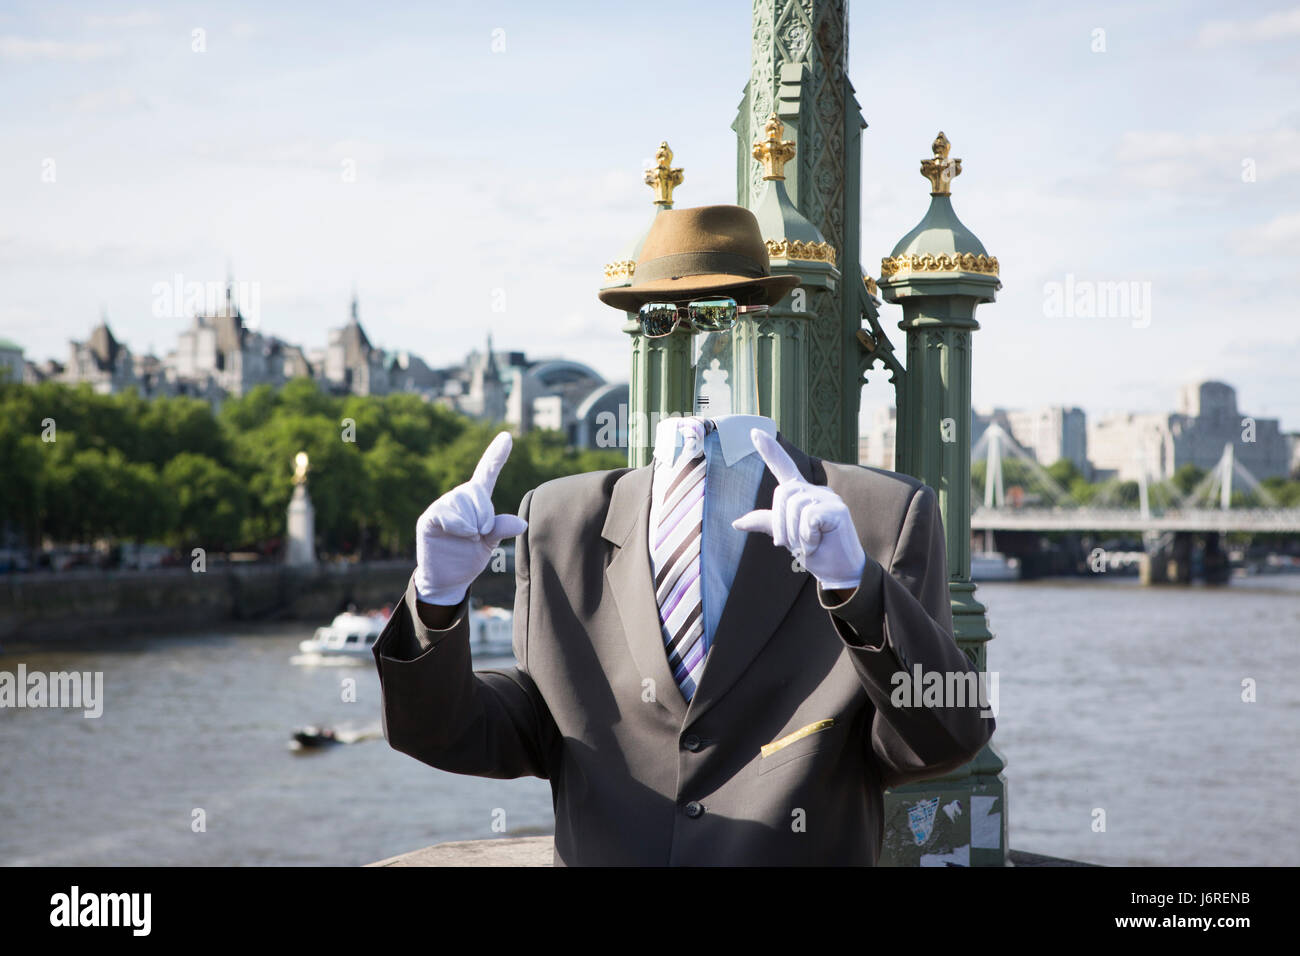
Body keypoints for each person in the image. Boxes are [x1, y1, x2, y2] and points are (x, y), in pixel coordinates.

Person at [372, 204, 993, 865]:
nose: (695, 341)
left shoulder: (881, 514)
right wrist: (436, 600)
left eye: (723, 310)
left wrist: (856, 589)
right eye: (664, 317)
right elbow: (478, 733)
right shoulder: (556, 518)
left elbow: (942, 740)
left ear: (758, 319)